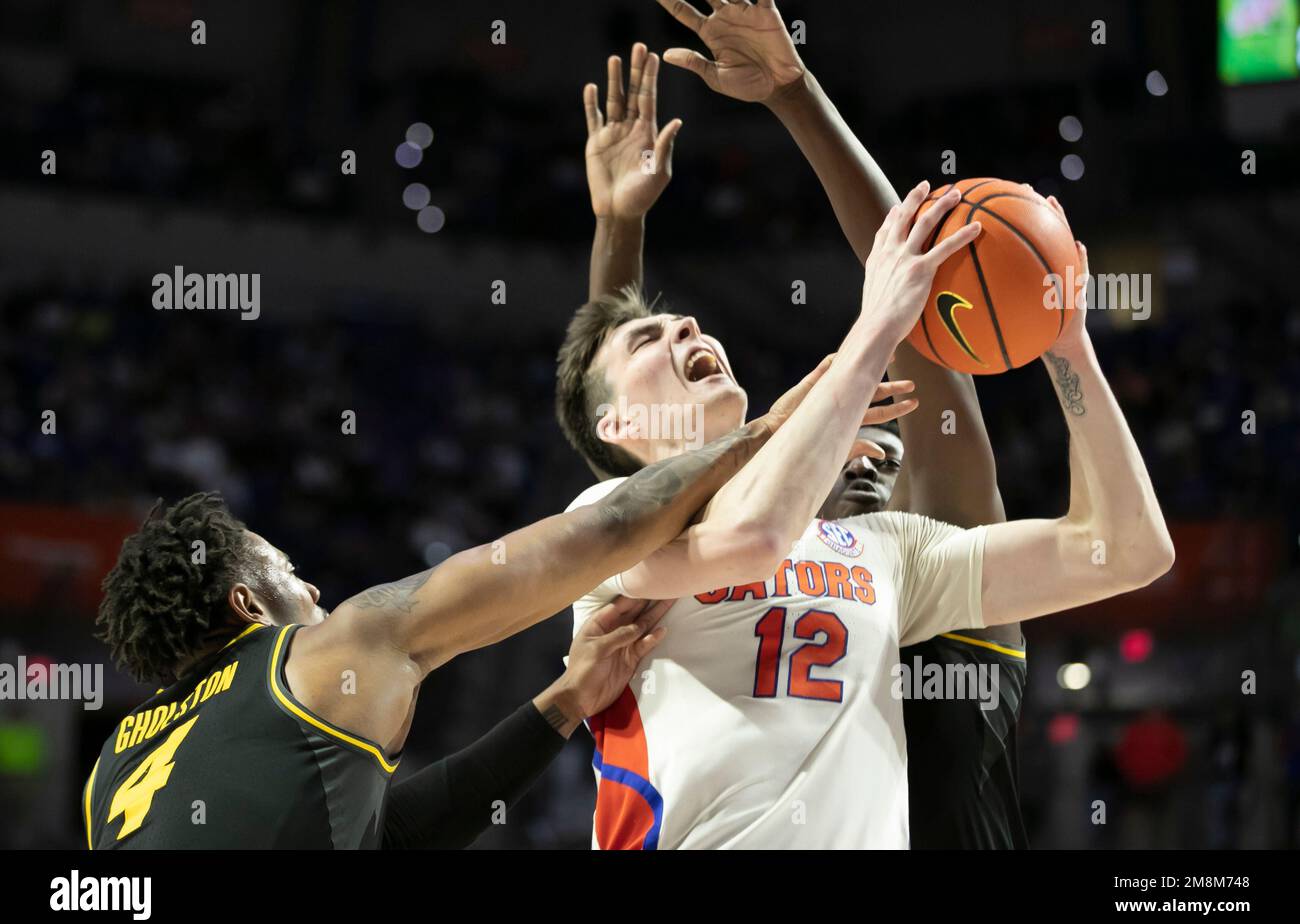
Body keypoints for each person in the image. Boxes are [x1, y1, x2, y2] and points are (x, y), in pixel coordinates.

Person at [554, 2, 1173, 849]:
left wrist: (1062, 338)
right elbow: (625, 432)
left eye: (883, 452)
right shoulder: (649, 537)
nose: (863, 461)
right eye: (848, 445)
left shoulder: (901, 558)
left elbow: (938, 364)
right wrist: (622, 231)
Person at [83, 379, 835, 849]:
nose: (311, 592)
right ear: (246, 604)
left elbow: (392, 838)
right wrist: (767, 433)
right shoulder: (322, 651)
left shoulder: (111, 768)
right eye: (289, 572)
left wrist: (565, 704)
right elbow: (600, 533)